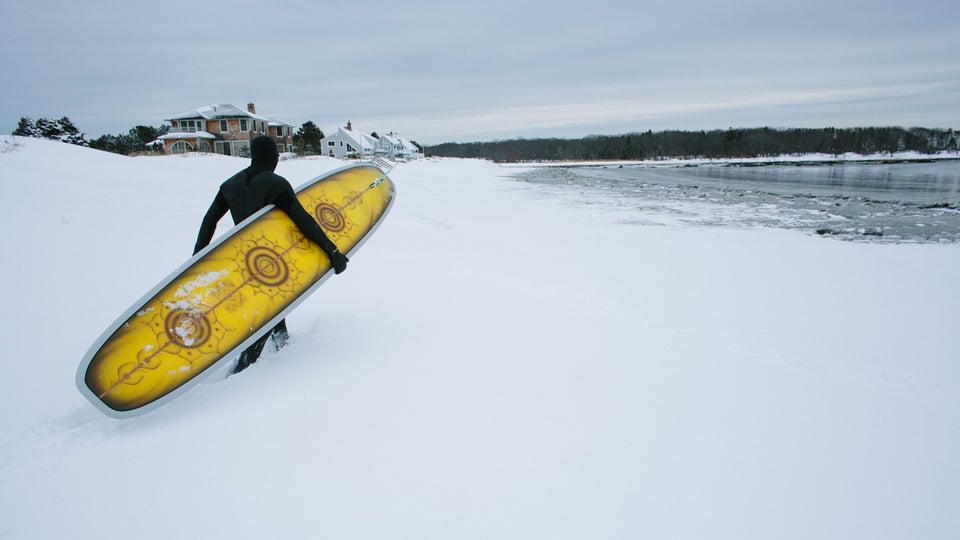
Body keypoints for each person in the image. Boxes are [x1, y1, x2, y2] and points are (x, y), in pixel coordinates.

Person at [193, 135, 348, 373]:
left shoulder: (230, 185)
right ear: (272, 157)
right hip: (268, 261)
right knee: (267, 314)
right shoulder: (275, 183)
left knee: (274, 309)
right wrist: (332, 251)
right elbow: (303, 220)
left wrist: (197, 259)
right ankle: (241, 371)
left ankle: (283, 345)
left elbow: (209, 221)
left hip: (242, 261)